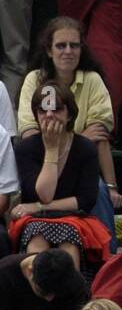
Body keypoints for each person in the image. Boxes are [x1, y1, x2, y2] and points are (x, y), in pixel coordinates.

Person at [17, 18, 122, 227]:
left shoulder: (92, 79)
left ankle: (108, 256)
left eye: (74, 45)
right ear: (49, 50)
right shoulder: (34, 79)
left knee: (99, 190)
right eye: (60, 45)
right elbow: (30, 135)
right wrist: (76, 139)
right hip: (39, 166)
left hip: (79, 166)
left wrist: (112, 186)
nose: (68, 51)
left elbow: (100, 137)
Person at [11, 80, 109, 271]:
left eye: (56, 109)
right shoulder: (26, 148)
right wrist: (51, 149)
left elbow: (85, 200)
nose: (49, 115)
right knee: (36, 236)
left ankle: (70, 295)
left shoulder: (85, 148)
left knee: (68, 239)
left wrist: (38, 207)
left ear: (69, 113)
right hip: (35, 222)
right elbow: (44, 193)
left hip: (73, 219)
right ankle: (36, 294)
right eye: (42, 110)